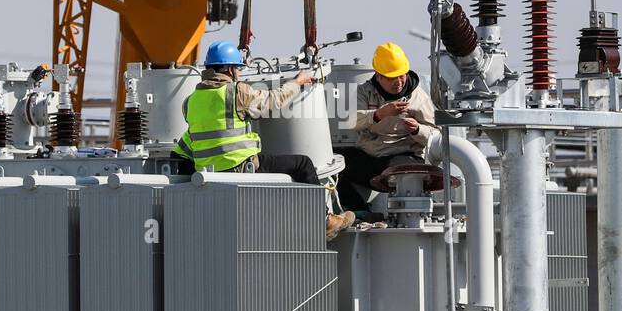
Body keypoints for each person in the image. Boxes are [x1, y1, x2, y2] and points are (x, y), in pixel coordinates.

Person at [173, 40, 354, 239]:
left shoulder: (190, 101)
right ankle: (324, 220)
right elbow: (272, 101)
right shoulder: (236, 92)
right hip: (241, 166)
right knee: (303, 164)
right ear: (231, 70)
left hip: (209, 176)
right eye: (238, 69)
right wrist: (297, 83)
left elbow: (188, 142)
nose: (240, 74)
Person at [336, 42, 439, 218]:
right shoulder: (365, 92)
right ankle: (359, 211)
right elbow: (350, 120)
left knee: (404, 172)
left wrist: (417, 130)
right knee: (334, 165)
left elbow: (436, 135)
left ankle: (407, 216)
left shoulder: (418, 97)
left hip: (403, 156)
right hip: (372, 156)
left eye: (401, 76)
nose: (398, 82)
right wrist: (378, 114)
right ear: (379, 76)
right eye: (392, 78)